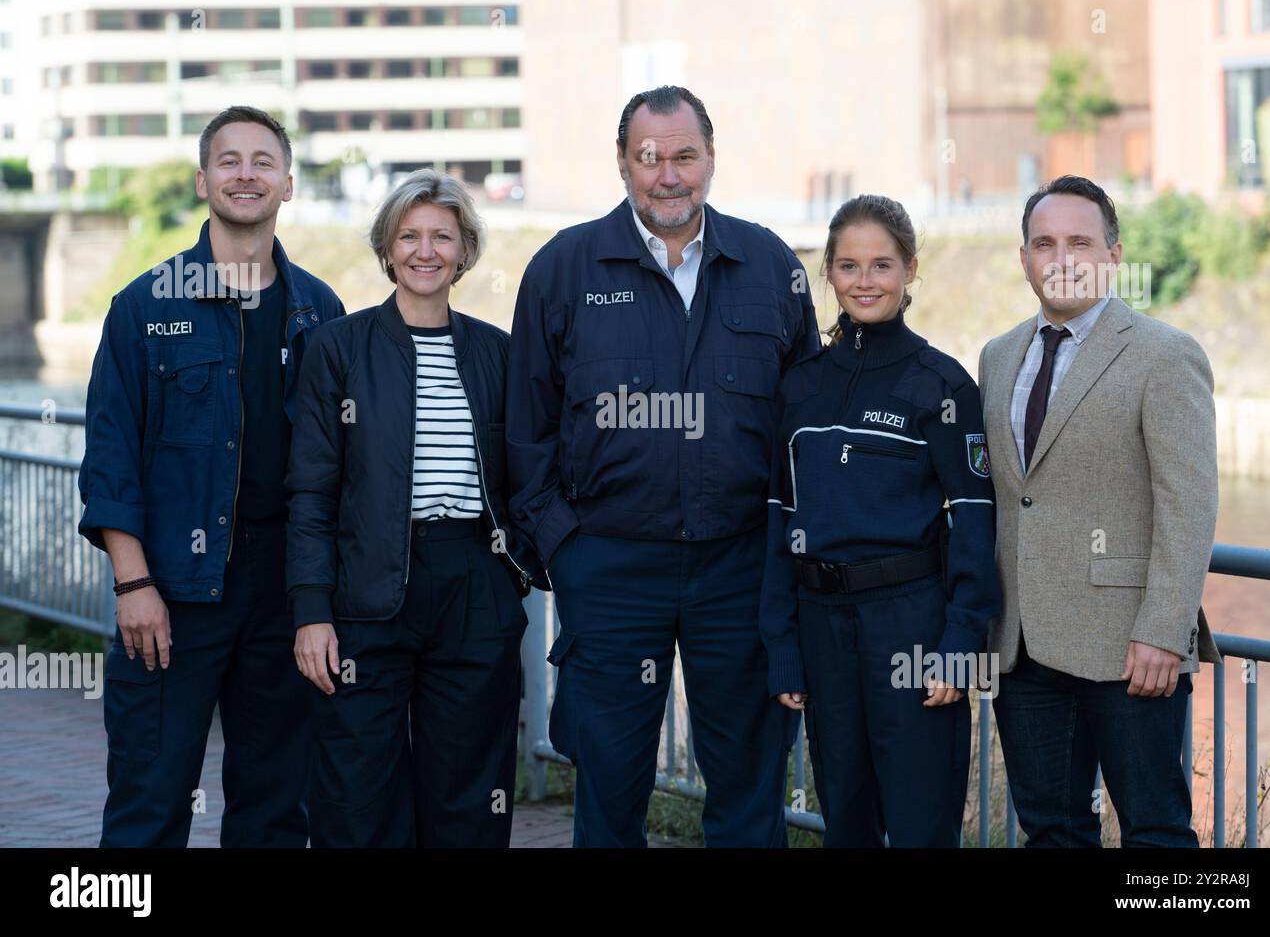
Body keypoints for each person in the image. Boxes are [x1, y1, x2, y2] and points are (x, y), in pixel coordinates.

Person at [507, 85, 820, 847]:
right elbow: (525, 431)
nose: (668, 174)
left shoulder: (769, 265)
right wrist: (567, 552)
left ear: (711, 159)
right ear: (623, 162)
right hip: (610, 568)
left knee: (748, 786)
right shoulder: (563, 270)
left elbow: (803, 431)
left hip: (740, 568)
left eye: (685, 155)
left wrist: (790, 555)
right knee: (609, 790)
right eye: (650, 157)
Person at [78, 106, 345, 846]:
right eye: (228, 160)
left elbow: (340, 464)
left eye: (264, 161)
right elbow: (109, 459)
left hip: (283, 592)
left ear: (288, 184)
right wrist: (134, 587)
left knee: (274, 808)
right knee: (147, 801)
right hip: (173, 589)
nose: (246, 173)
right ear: (203, 181)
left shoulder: (320, 311)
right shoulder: (141, 308)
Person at [287, 168, 540, 847]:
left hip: (474, 584)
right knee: (355, 792)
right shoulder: (337, 349)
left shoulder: (497, 353)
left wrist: (516, 574)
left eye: (441, 237)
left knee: (467, 789)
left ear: (464, 251)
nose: (425, 251)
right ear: (387, 247)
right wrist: (311, 609)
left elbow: (528, 478)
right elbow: (310, 489)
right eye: (409, 236)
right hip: (366, 585)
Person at [979, 174, 1221, 847]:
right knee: (1053, 831)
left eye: (1080, 243)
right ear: (1024, 257)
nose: (1061, 258)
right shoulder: (998, 358)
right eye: (1044, 243)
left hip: (1129, 646)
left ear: (1114, 254)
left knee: (1156, 833)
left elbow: (1190, 502)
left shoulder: (1164, 355)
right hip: (1022, 643)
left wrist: (1165, 630)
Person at [759, 194, 1001, 847]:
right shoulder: (799, 385)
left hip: (912, 624)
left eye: (882, 266)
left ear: (910, 271)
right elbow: (780, 522)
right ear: (829, 274)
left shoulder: (943, 387)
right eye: (848, 266)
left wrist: (959, 649)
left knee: (921, 822)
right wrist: (783, 650)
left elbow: (976, 525)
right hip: (820, 627)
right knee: (847, 821)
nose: (865, 282)